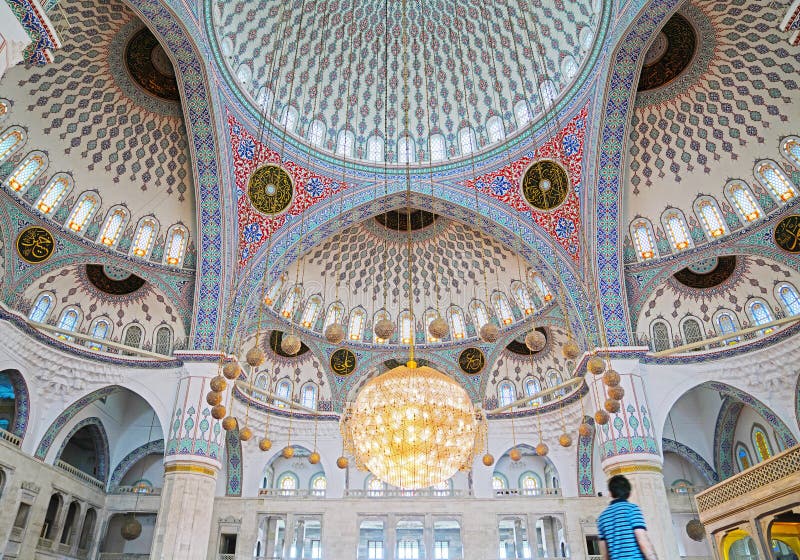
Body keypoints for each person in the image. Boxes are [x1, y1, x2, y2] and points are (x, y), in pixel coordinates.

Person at [596, 475, 659, 560]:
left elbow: (605, 553)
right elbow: (642, 541)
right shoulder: (632, 509)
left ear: (610, 493)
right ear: (629, 493)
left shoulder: (602, 517)